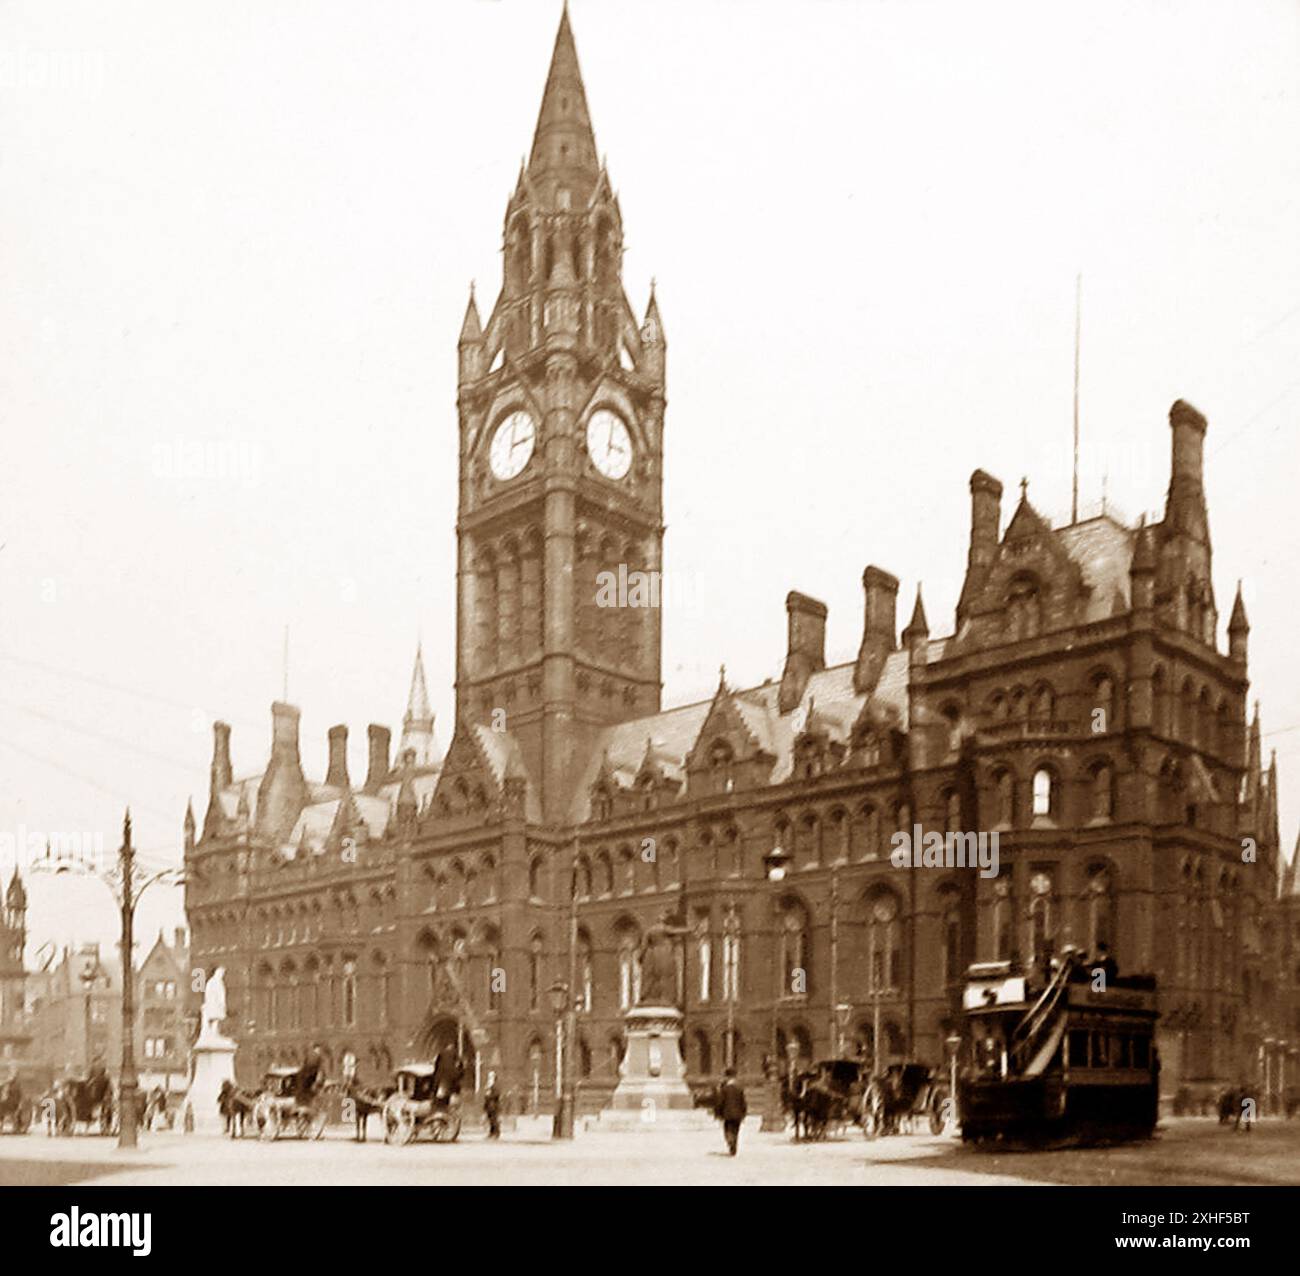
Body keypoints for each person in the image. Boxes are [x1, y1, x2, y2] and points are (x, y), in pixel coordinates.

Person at [714, 1066, 747, 1155]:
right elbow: (743, 1102)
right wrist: (744, 1113)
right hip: (738, 1114)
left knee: (728, 1129)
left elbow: (720, 1101)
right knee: (736, 1130)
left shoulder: (724, 1088)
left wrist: (718, 1113)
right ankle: (734, 1146)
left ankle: (730, 1141)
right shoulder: (739, 1088)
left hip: (727, 1114)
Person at [482, 1072, 501, 1140]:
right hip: (489, 1105)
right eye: (489, 1076)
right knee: (490, 1119)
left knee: (494, 1119)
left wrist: (490, 1094)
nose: (490, 1078)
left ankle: (496, 1133)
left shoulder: (495, 1085)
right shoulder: (489, 1085)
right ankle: (491, 1132)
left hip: (493, 1105)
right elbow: (486, 1095)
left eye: (491, 1077)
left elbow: (497, 1094)